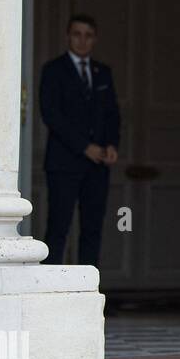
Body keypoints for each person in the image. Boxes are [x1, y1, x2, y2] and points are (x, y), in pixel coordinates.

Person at [39, 14, 120, 268]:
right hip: (64, 163)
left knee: (92, 229)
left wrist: (112, 145)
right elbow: (51, 115)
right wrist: (84, 147)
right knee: (58, 228)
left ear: (94, 39)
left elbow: (112, 114)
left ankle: (88, 291)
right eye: (77, 34)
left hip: (97, 167)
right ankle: (48, 289)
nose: (82, 40)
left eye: (88, 35)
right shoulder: (53, 70)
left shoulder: (102, 72)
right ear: (68, 36)